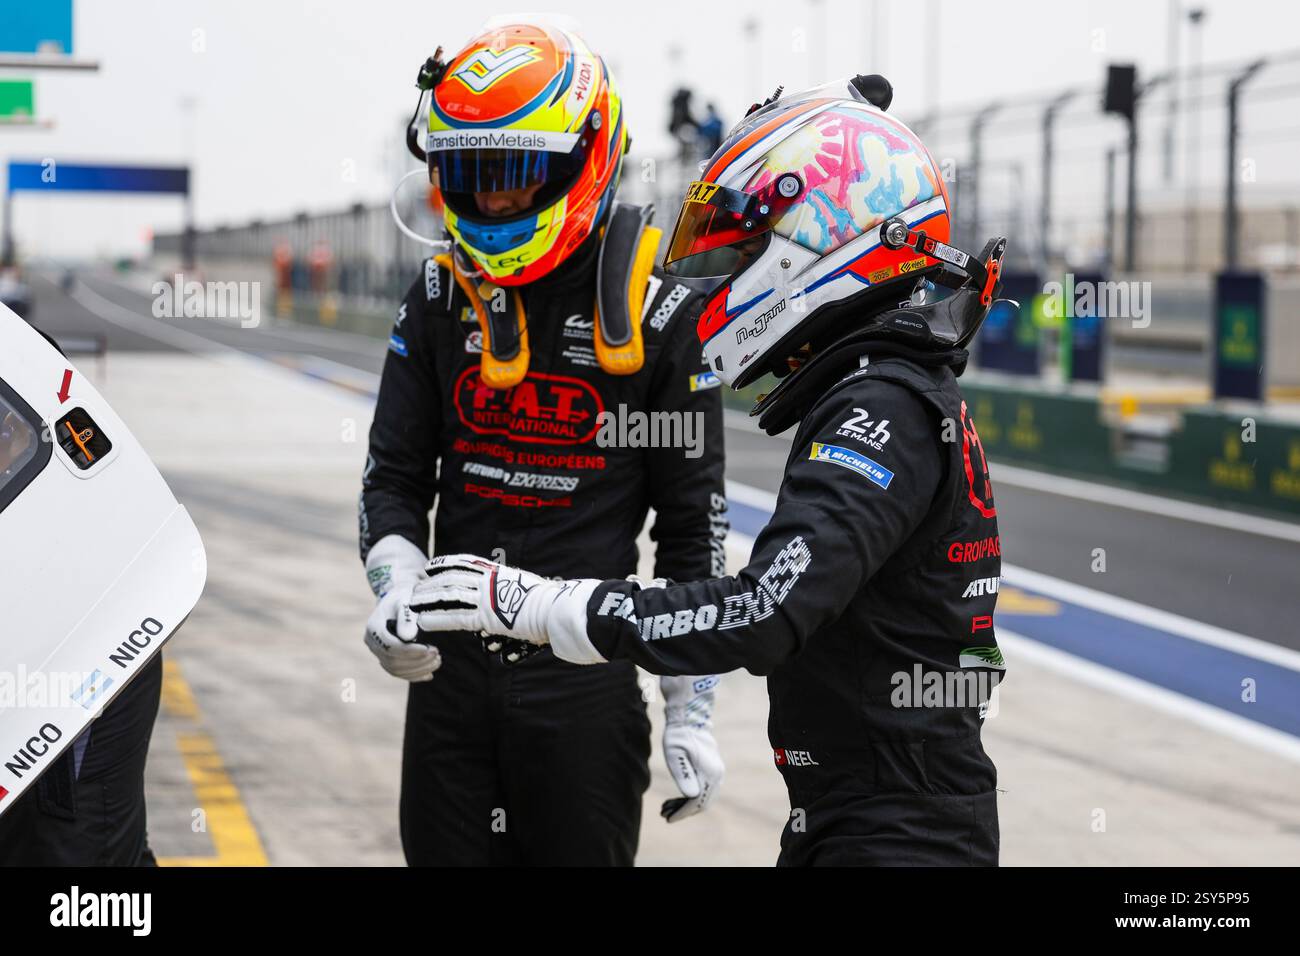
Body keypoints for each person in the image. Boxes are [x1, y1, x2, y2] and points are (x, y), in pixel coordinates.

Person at [403, 76, 1010, 866]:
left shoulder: (881, 408)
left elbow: (763, 610)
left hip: (897, 834)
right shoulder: (885, 386)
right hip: (870, 817)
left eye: (751, 247)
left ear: (826, 238)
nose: (727, 275)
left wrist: (542, 605)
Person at [360, 20, 729, 866]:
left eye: (515, 172)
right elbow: (393, 478)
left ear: (585, 156)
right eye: (469, 172)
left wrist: (691, 706)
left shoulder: (658, 310)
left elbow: (692, 532)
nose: (490, 200)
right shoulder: (437, 295)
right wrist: (395, 581)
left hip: (584, 682)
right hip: (446, 682)